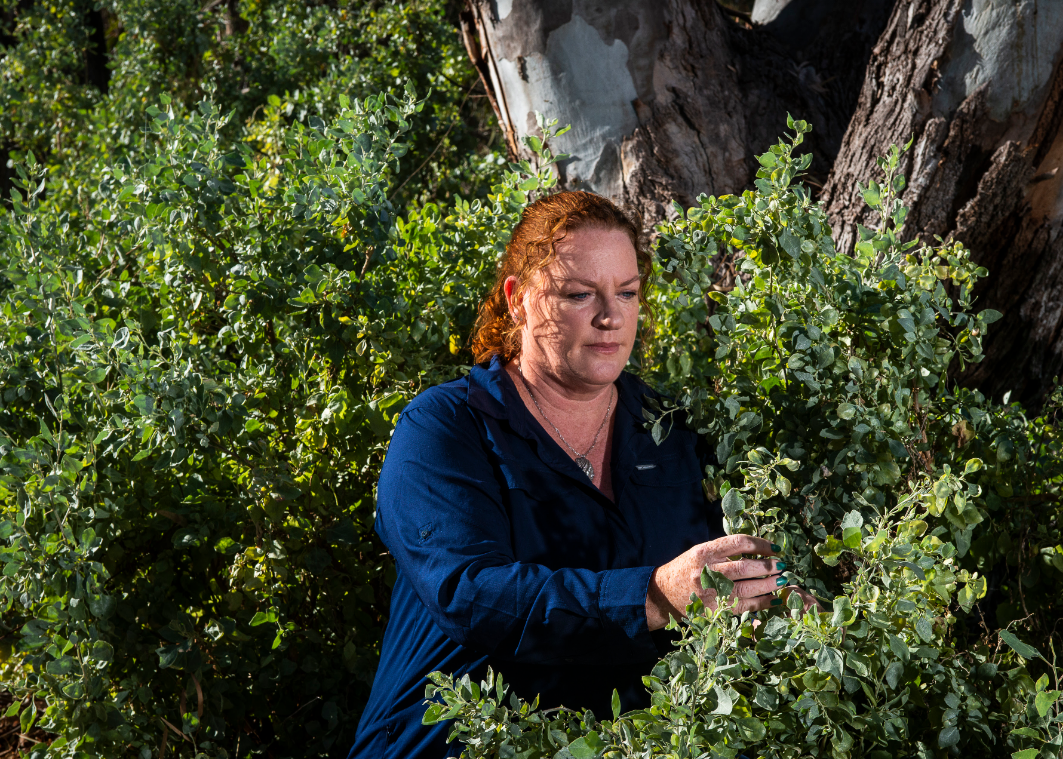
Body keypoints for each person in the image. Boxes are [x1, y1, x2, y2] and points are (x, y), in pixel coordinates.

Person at [347, 191, 807, 759]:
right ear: (517, 300)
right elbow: (470, 593)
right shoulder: (446, 427)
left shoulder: (670, 434)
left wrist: (770, 601)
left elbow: (718, 579)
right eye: (578, 294)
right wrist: (654, 596)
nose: (611, 317)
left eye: (627, 293)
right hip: (450, 745)